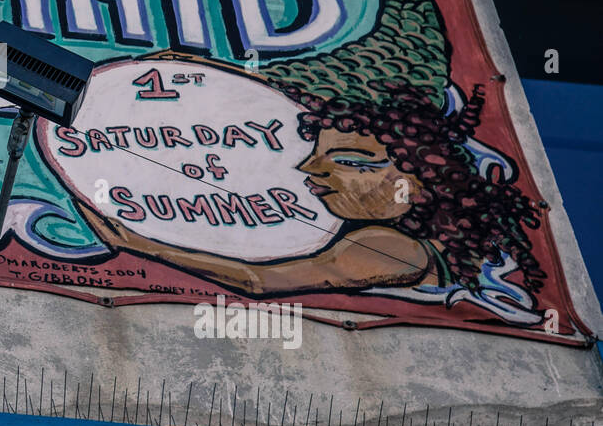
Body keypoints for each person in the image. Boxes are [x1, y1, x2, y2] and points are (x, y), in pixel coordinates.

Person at [81, 81, 543, 298]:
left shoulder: (389, 244)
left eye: (348, 162)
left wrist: (139, 245)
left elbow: (260, 282)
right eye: (317, 153)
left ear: (419, 183)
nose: (310, 168)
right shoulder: (413, 244)